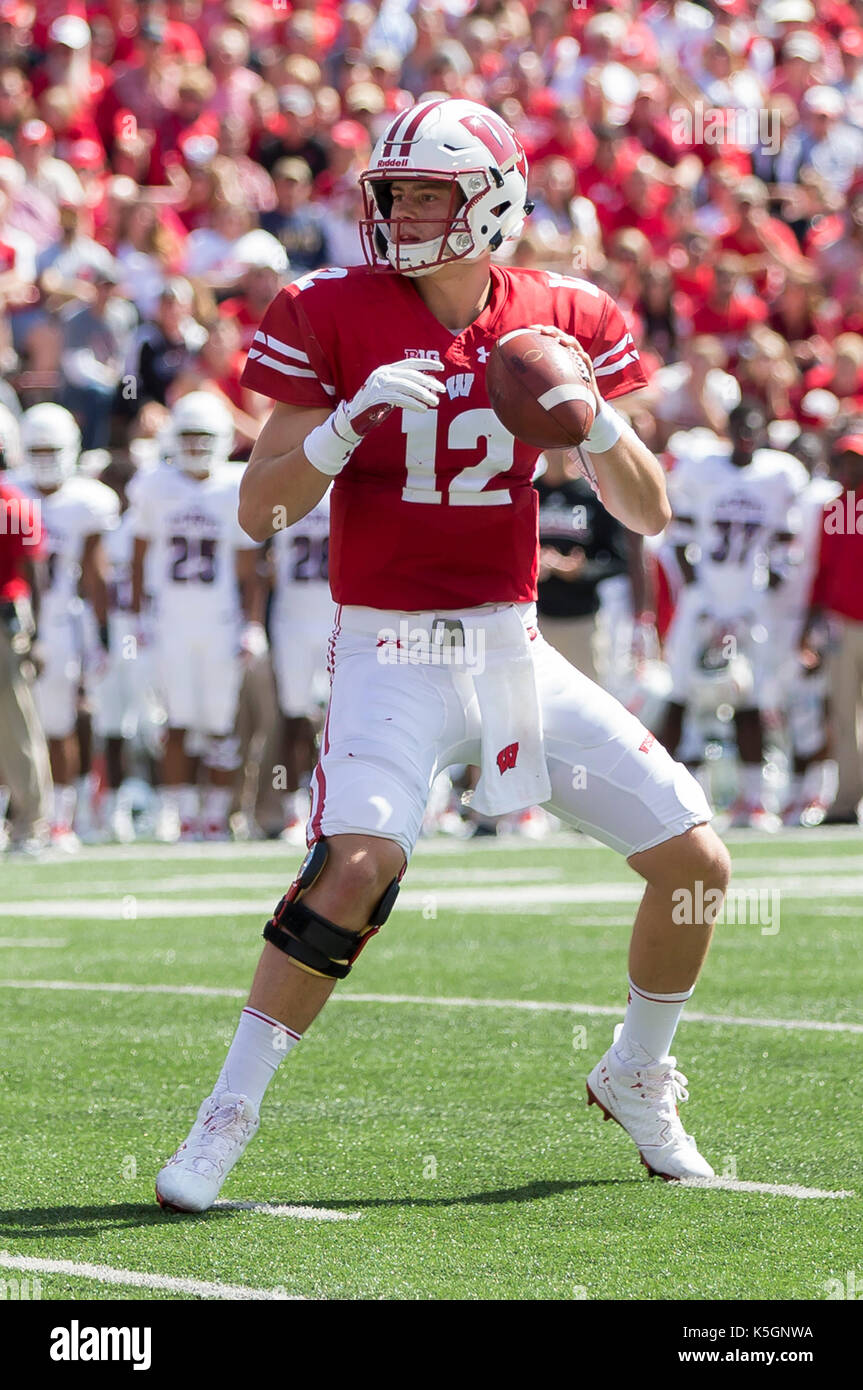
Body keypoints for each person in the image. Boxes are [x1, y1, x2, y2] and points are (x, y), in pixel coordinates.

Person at [156, 97, 730, 1214]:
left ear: (495, 202)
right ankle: (227, 1110)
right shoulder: (326, 310)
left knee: (697, 868)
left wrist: (592, 419)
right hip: (391, 648)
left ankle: (633, 1070)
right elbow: (257, 513)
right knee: (357, 867)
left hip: (511, 647)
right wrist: (339, 427)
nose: (404, 213)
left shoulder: (560, 314)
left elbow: (647, 513)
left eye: (430, 193)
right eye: (396, 192)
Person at [659, 401, 808, 829]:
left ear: (764, 432)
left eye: (754, 428)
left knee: (753, 697)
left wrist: (757, 601)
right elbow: (680, 536)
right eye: (740, 427)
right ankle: (671, 794)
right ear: (727, 428)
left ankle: (754, 800)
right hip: (705, 596)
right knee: (680, 693)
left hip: (750, 602)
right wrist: (699, 595)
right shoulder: (702, 467)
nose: (746, 435)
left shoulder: (779, 474)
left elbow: (786, 548)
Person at [129, 392, 263, 842]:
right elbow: (137, 556)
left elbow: (250, 568)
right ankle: (180, 813)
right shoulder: (155, 484)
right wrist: (134, 619)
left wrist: (253, 623)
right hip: (171, 620)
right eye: (188, 436)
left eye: (204, 436)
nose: (196, 445)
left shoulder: (233, 485)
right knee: (178, 720)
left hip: (220, 621)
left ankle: (216, 815)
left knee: (221, 725)